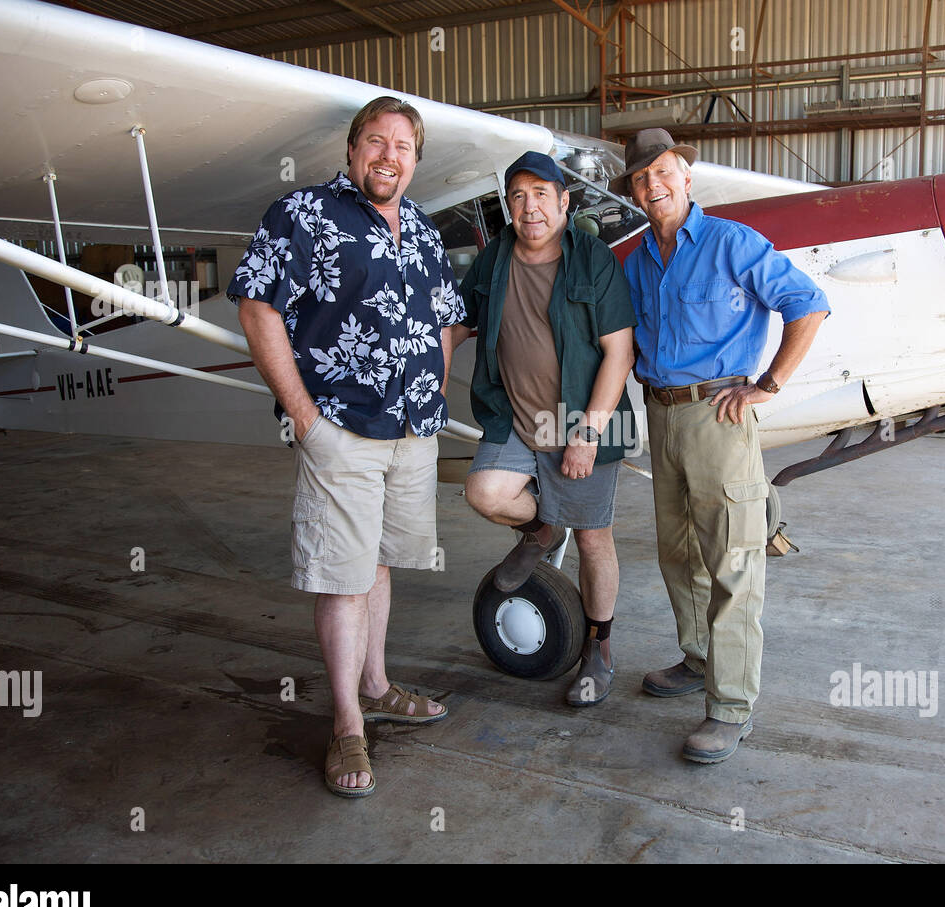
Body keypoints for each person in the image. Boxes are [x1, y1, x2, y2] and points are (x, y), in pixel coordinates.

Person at [228, 96, 467, 797]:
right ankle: (345, 725)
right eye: (374, 141)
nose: (388, 155)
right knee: (342, 577)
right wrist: (307, 419)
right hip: (342, 430)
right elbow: (256, 304)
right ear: (352, 150)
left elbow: (446, 320)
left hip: (413, 434)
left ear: (416, 159)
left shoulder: (422, 229)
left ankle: (377, 684)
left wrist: (430, 397)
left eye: (402, 145)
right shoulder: (303, 214)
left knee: (380, 563)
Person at [612, 128, 830, 763]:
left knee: (733, 558)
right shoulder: (639, 258)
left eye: (663, 172)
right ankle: (697, 658)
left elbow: (807, 304)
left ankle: (732, 706)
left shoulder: (731, 242)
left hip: (718, 416)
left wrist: (769, 384)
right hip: (661, 415)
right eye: (640, 178)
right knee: (678, 552)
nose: (652, 185)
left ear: (685, 174)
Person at [455, 151, 636, 706]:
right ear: (508, 206)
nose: (529, 206)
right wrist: (428, 384)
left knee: (593, 539)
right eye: (518, 196)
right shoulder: (493, 260)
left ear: (564, 201)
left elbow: (619, 352)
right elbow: (456, 324)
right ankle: (540, 531)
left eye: (541, 194)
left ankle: (598, 648)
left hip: (576, 418)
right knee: (484, 492)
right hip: (514, 415)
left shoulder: (594, 260)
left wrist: (587, 433)